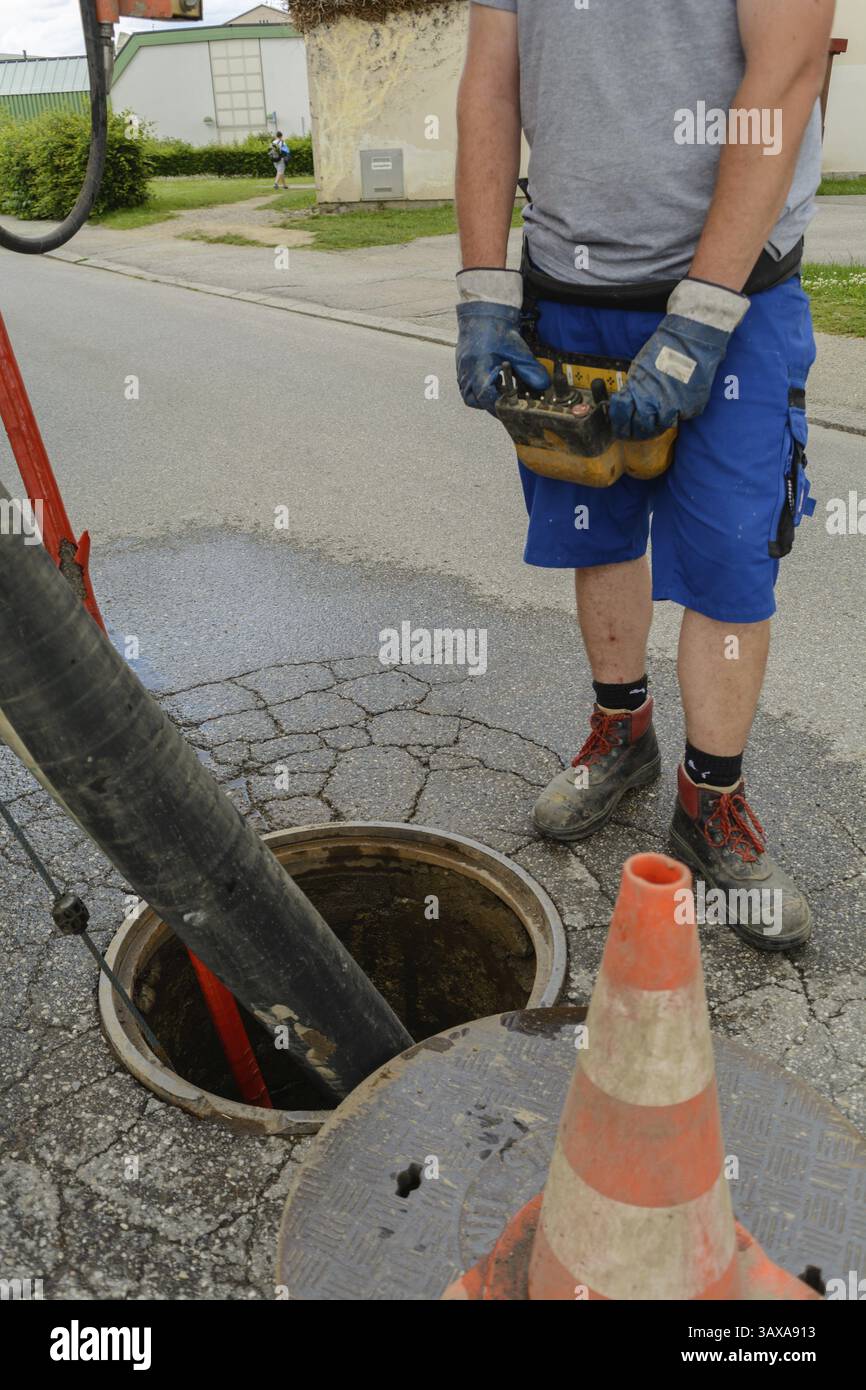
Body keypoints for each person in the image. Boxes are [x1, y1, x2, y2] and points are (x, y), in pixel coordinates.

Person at [455, 0, 835, 951]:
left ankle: (712, 805)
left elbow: (783, 77)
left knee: (732, 563)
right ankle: (622, 739)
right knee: (598, 528)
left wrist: (703, 312)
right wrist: (483, 288)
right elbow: (490, 86)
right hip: (568, 294)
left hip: (736, 293)